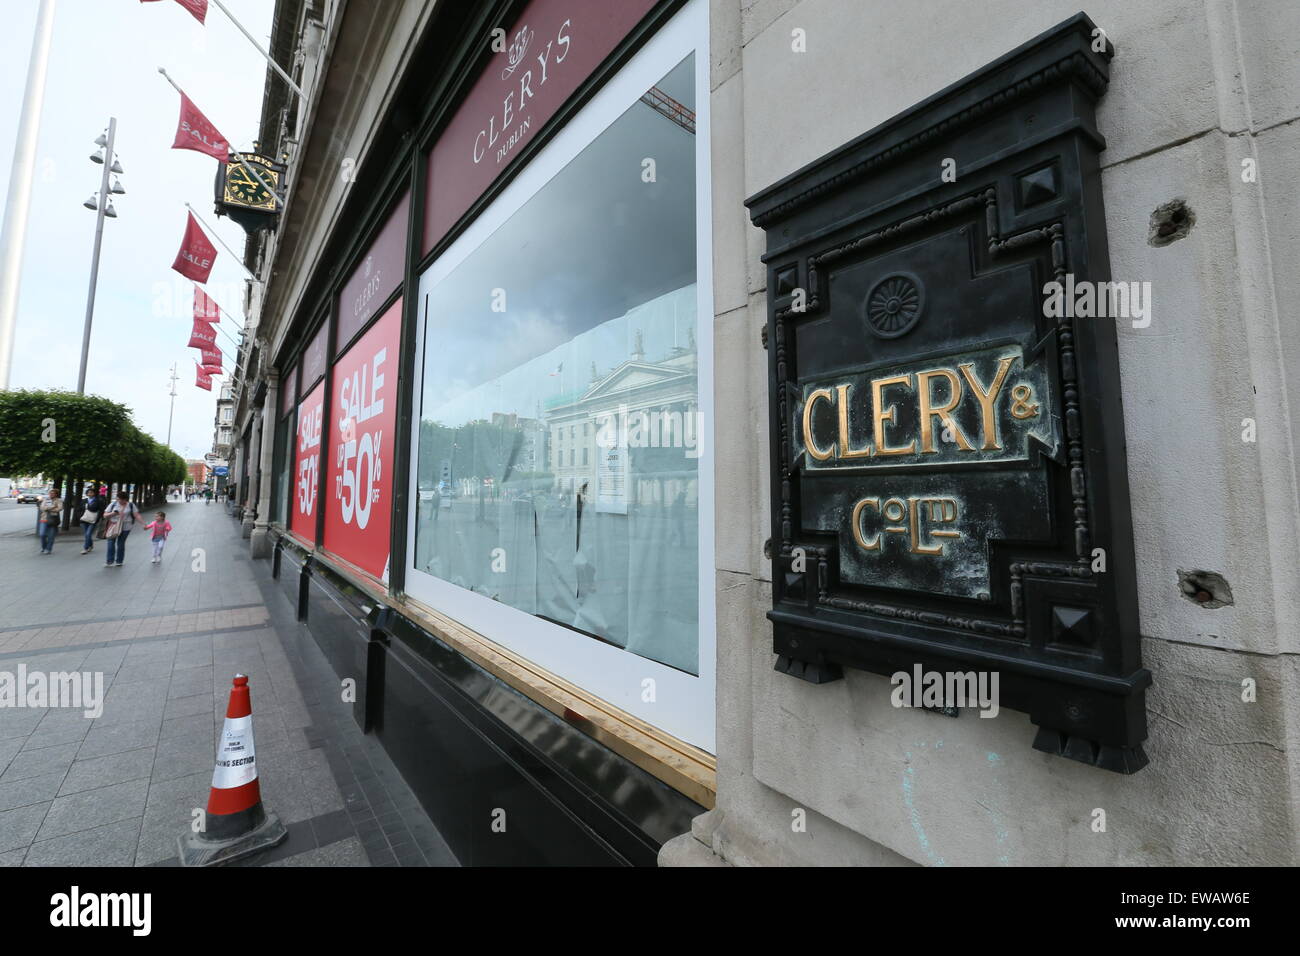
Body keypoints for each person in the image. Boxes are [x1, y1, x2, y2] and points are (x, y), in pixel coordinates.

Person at [103, 491, 144, 568]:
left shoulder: (131, 505)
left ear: (126, 499)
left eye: (121, 499)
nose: (119, 501)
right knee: (110, 542)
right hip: (113, 525)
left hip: (126, 526)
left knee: (121, 543)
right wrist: (113, 513)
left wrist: (143, 524)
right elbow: (105, 515)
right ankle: (109, 561)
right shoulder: (113, 504)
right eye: (118, 499)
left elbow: (136, 515)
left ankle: (119, 561)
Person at [79, 485, 105, 553]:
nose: (90, 493)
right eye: (88, 492)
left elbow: (101, 510)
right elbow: (78, 509)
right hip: (83, 520)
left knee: (88, 534)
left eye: (91, 492)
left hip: (93, 520)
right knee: (86, 535)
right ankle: (90, 545)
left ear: (94, 493)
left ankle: (85, 548)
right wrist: (79, 516)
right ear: (86, 493)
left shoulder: (98, 501)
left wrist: (98, 518)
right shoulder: (84, 501)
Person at [38, 487, 62, 554]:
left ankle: (48, 549)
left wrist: (48, 509)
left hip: (53, 519)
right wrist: (52, 507)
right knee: (42, 534)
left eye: (53, 493)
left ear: (56, 494)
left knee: (51, 536)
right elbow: (42, 508)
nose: (51, 494)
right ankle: (44, 547)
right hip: (44, 519)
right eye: (50, 493)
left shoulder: (58, 500)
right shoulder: (46, 499)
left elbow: (59, 508)